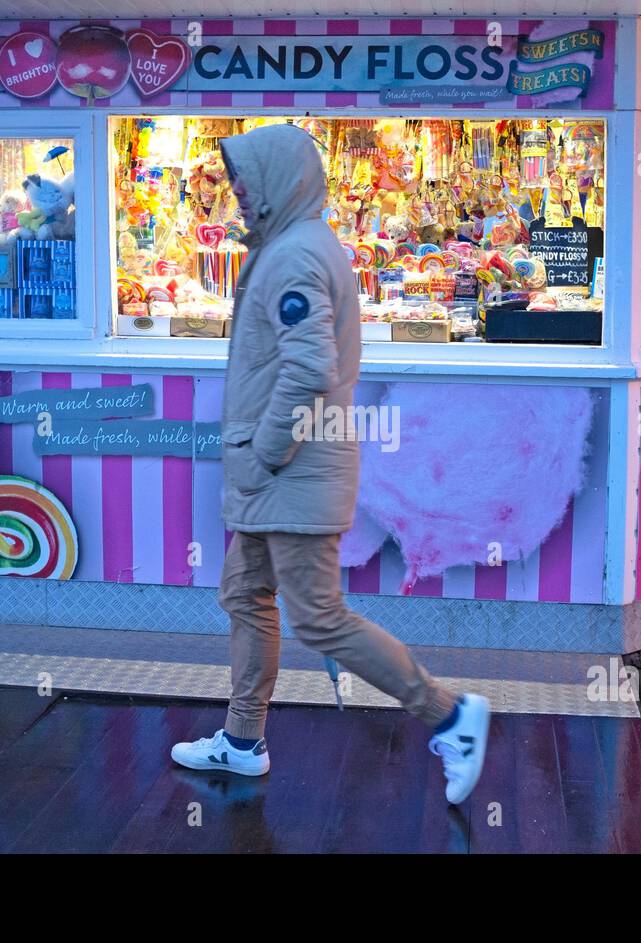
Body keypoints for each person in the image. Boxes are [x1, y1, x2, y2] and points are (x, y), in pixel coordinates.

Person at [169, 124, 490, 805]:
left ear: (279, 180)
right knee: (245, 595)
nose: (237, 191)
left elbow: (310, 366)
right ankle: (243, 739)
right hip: (282, 476)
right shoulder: (292, 247)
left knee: (318, 617)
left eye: (246, 180)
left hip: (291, 472)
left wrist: (264, 451)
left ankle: (452, 715)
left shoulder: (293, 257)